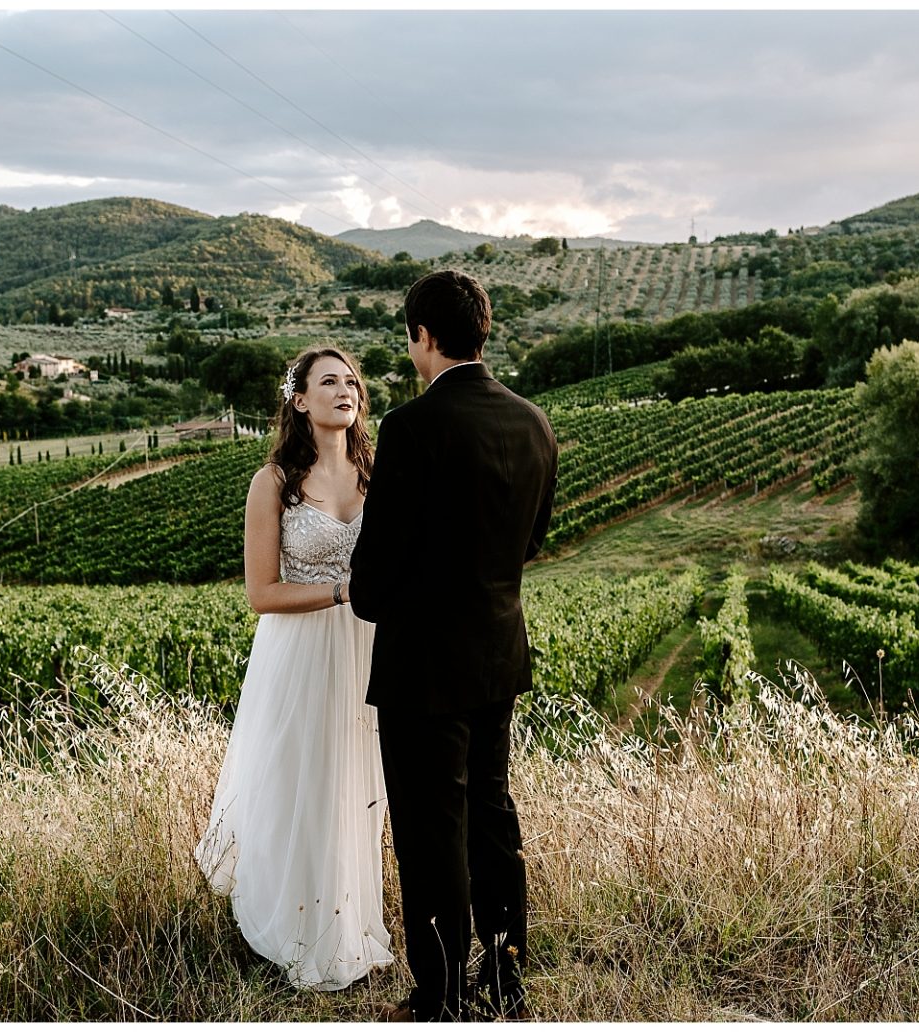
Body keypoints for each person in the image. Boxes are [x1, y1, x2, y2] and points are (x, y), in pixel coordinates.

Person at [348, 270, 558, 1022]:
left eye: (411, 338)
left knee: (430, 835)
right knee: (492, 819)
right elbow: (531, 542)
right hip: (498, 654)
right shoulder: (533, 422)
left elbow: (372, 583)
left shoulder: (412, 427)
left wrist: (381, 593)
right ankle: (505, 978)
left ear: (423, 336)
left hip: (422, 668)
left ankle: (439, 997)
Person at [194, 345, 395, 991]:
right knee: (302, 784)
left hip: (367, 646)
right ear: (300, 400)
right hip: (301, 650)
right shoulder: (274, 481)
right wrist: (342, 591)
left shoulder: (377, 473)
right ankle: (296, 927)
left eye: (352, 381)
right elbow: (261, 592)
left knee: (355, 786)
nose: (345, 390)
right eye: (328, 381)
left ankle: (348, 925)